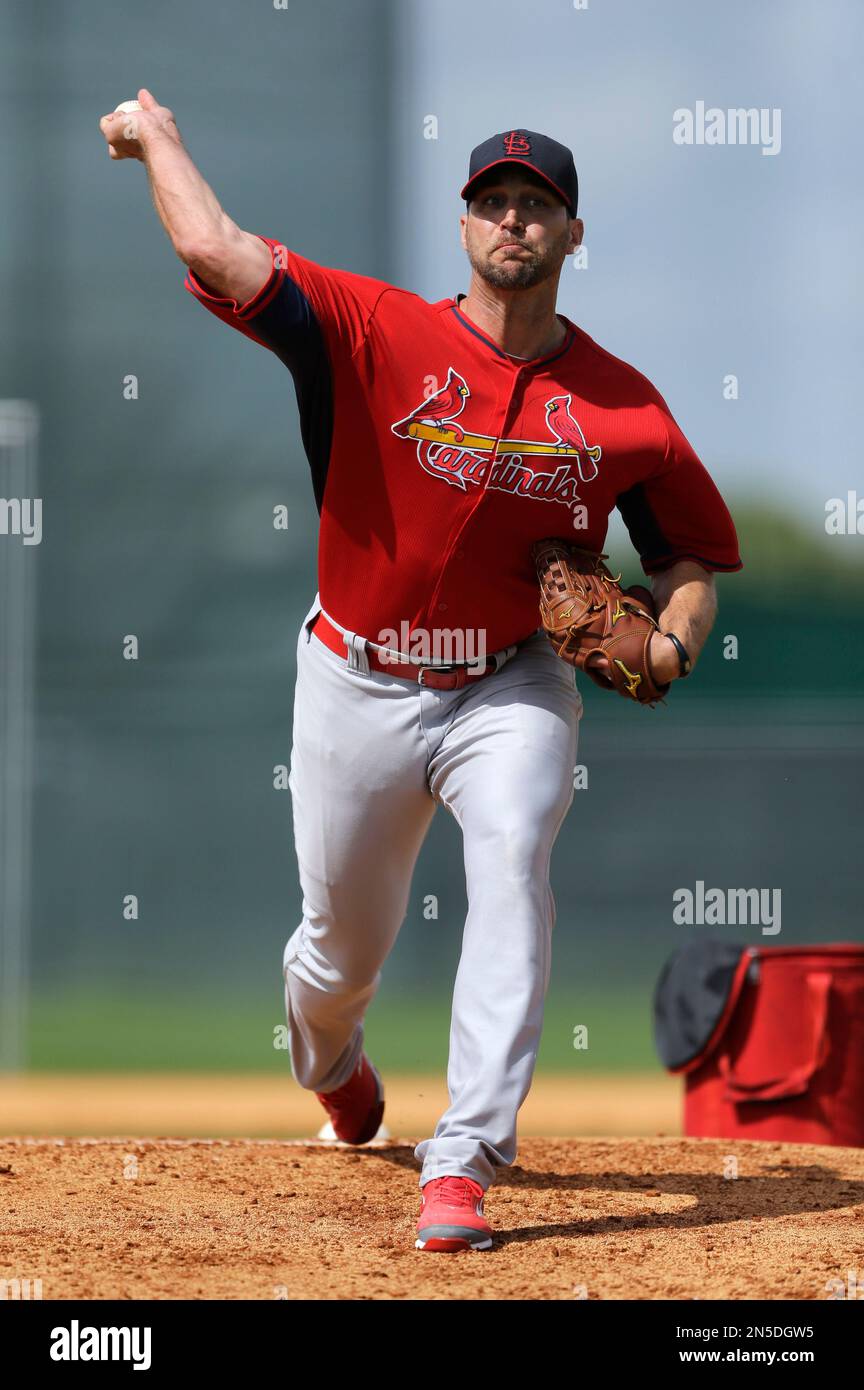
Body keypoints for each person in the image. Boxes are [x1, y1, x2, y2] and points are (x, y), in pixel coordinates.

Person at [99, 97, 742, 1254]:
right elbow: (216, 251)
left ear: (570, 235)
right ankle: (336, 1066)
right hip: (358, 676)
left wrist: (677, 637)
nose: (513, 218)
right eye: (493, 200)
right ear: (462, 228)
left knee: (511, 858)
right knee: (337, 950)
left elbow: (692, 556)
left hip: (509, 685)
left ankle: (462, 1162)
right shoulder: (369, 330)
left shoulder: (624, 408)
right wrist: (159, 138)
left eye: (537, 203)